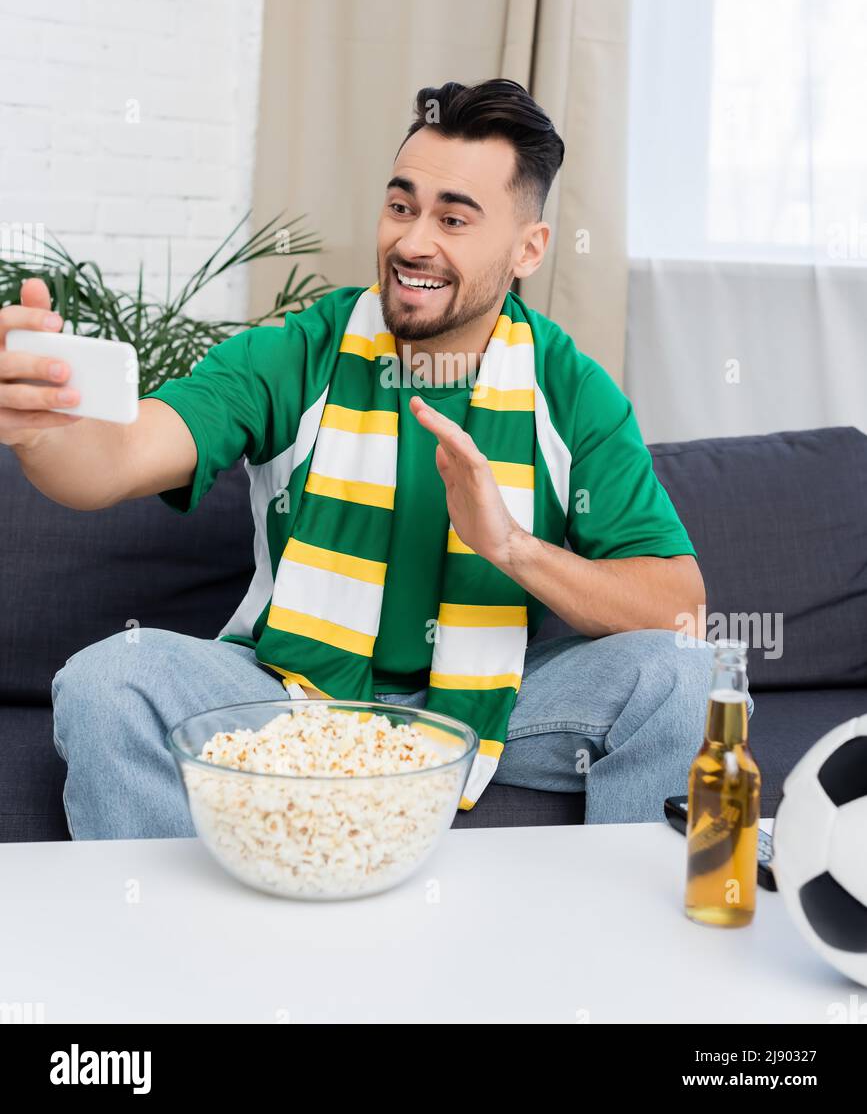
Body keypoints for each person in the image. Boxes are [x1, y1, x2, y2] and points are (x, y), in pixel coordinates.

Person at [1, 79, 740, 838]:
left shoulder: (570, 388)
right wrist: (44, 427)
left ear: (528, 249)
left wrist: (510, 547)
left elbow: (677, 610)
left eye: (452, 218)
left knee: (683, 675)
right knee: (111, 679)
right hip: (290, 693)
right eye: (400, 207)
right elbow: (117, 458)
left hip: (490, 709)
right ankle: (167, 949)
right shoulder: (302, 350)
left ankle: (620, 947)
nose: (413, 242)